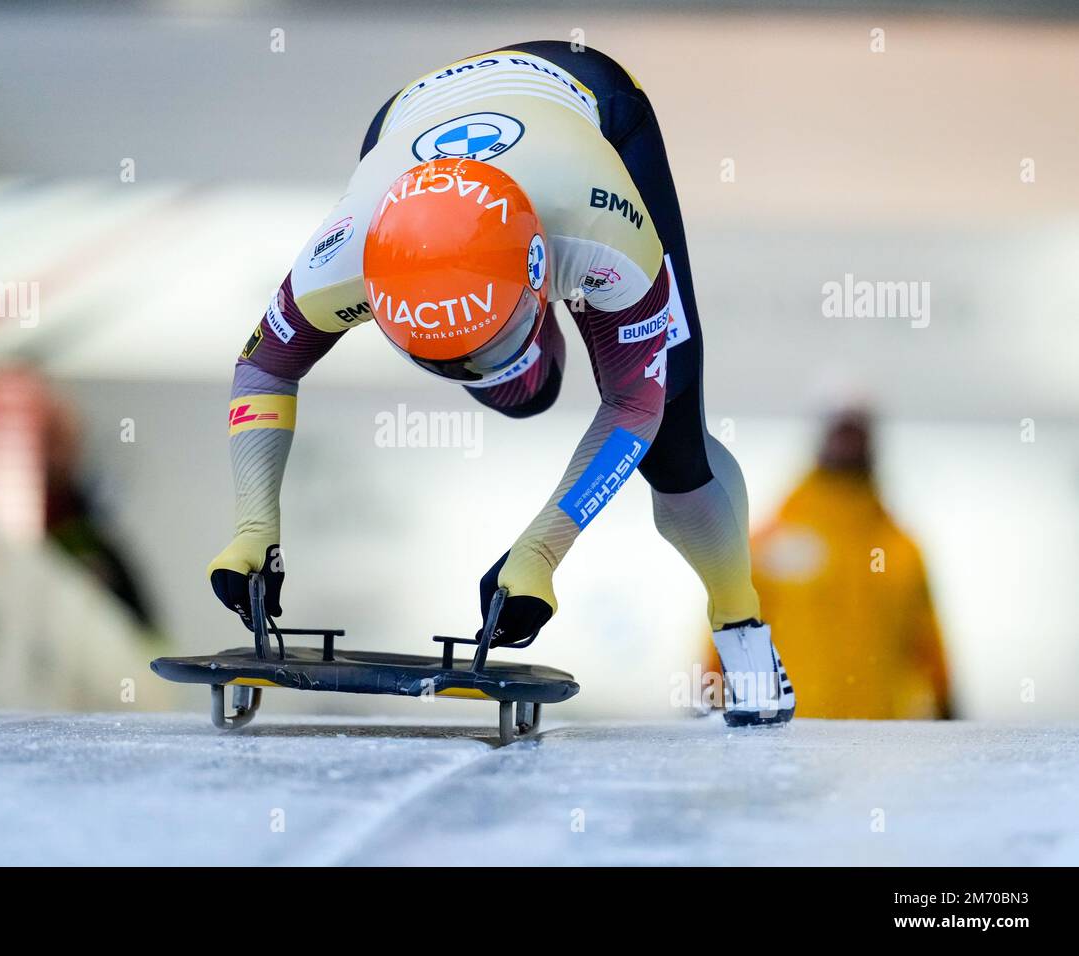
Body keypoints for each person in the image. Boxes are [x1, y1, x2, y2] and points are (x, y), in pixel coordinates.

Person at [208, 42, 794, 726]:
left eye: (489, 347)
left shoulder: (607, 238)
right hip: (405, 122)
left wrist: (544, 548)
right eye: (451, 361)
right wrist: (254, 527)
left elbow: (638, 401)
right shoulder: (342, 256)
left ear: (547, 283)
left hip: (594, 102)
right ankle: (499, 363)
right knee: (523, 394)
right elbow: (263, 366)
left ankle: (742, 625)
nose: (477, 369)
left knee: (673, 441)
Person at [704, 409, 951, 719]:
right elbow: (731, 623)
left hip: (878, 746)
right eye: (841, 430)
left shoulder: (901, 549)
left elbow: (927, 642)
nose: (847, 443)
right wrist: (708, 699)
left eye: (856, 432)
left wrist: (947, 709)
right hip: (787, 747)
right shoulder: (771, 544)